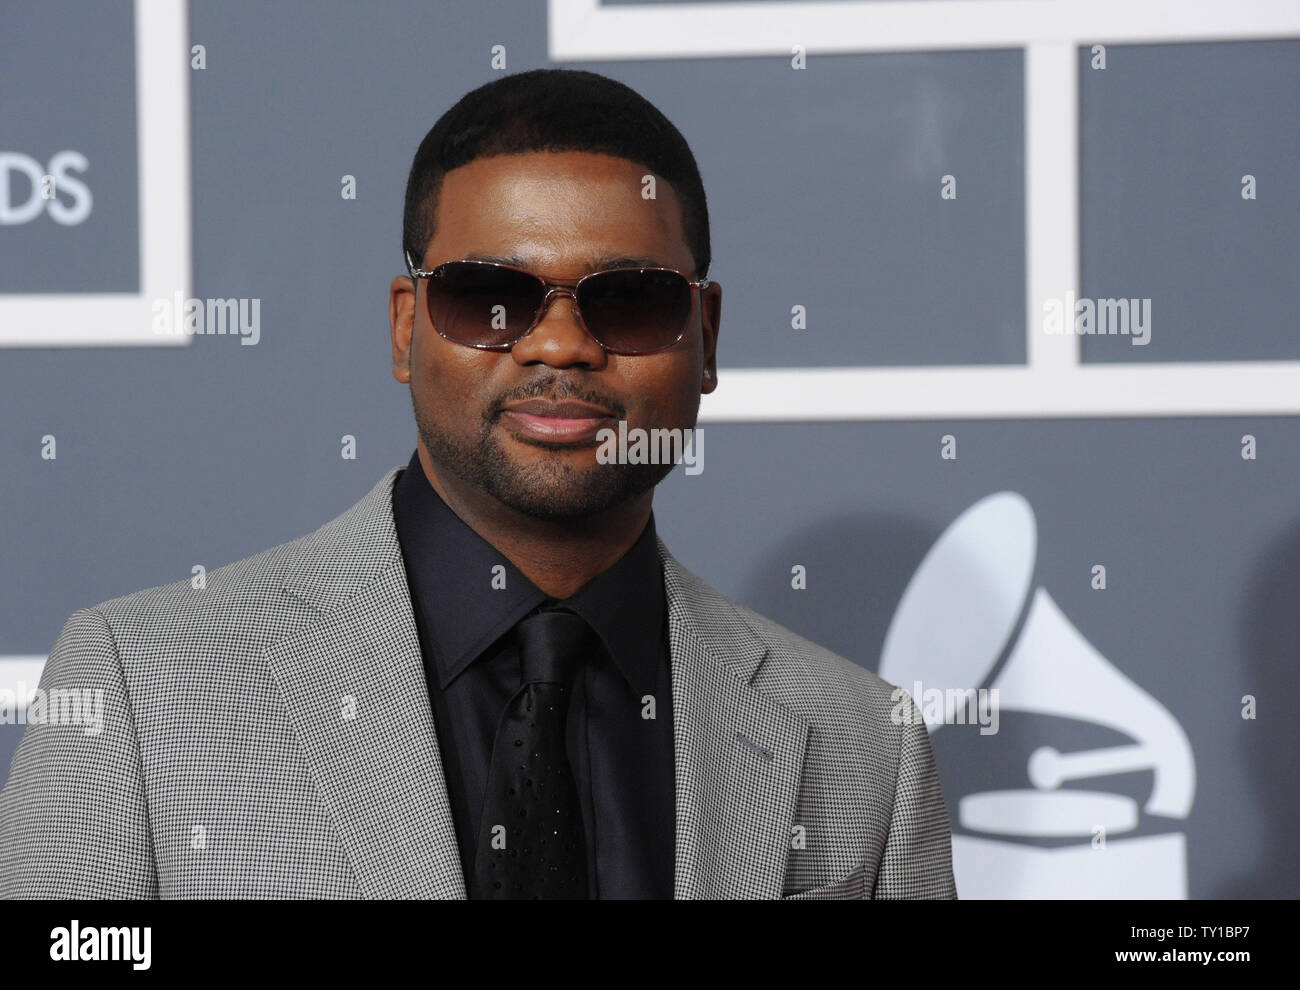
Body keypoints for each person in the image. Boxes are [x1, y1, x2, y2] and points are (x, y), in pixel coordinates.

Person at [0, 68, 956, 899]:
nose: (559, 344)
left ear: (703, 338)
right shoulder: (139, 684)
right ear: (406, 328)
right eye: (490, 298)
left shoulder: (861, 743)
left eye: (629, 299)